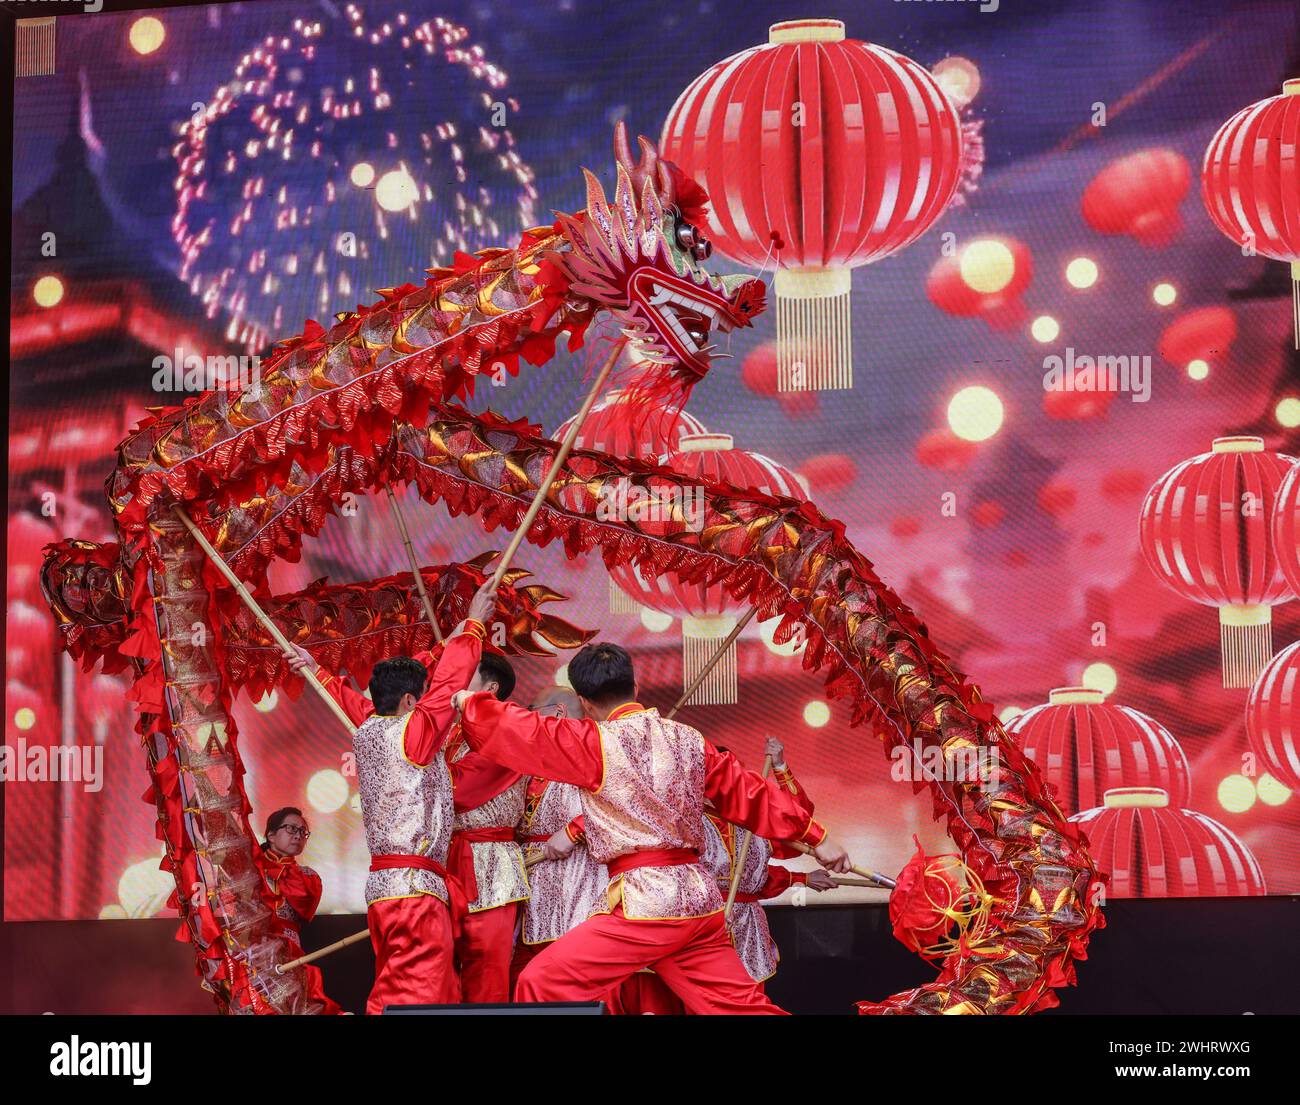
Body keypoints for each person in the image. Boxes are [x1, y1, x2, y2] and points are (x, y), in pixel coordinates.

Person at [451, 641, 852, 1014]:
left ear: (585, 704)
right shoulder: (690, 740)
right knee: (740, 1007)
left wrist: (468, 701)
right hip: (698, 902)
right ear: (636, 684)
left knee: (541, 982)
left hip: (648, 903)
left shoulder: (593, 743)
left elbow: (525, 730)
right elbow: (747, 791)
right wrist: (817, 837)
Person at [289, 578, 495, 1014]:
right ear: (408, 701)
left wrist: (317, 670)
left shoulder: (370, 729)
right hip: (414, 892)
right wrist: (474, 625)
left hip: (388, 892)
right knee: (418, 1000)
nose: (430, 710)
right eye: (420, 703)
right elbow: (444, 693)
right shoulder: (412, 734)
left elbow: (354, 703)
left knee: (409, 992)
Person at [702, 737, 836, 988]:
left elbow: (793, 825)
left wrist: (780, 766)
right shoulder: (684, 821)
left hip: (747, 929)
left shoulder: (752, 819)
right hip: (700, 927)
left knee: (749, 1000)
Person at [509, 687, 609, 994]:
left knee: (574, 971)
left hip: (579, 876)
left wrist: (572, 831)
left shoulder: (594, 748)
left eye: (532, 710)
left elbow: (620, 804)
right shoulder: (531, 759)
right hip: (534, 881)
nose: (528, 718)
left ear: (558, 713)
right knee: (526, 972)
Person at [444, 651, 530, 1003]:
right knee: (443, 971)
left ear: (490, 689)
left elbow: (458, 790)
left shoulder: (505, 736)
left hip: (491, 866)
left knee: (486, 972)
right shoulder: (453, 737)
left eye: (468, 673)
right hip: (450, 863)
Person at [257, 806, 342, 1014]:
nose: (298, 835)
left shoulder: (307, 877)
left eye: (303, 832)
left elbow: (304, 905)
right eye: (291, 829)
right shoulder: (249, 870)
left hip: (289, 953)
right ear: (271, 835)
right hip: (253, 950)